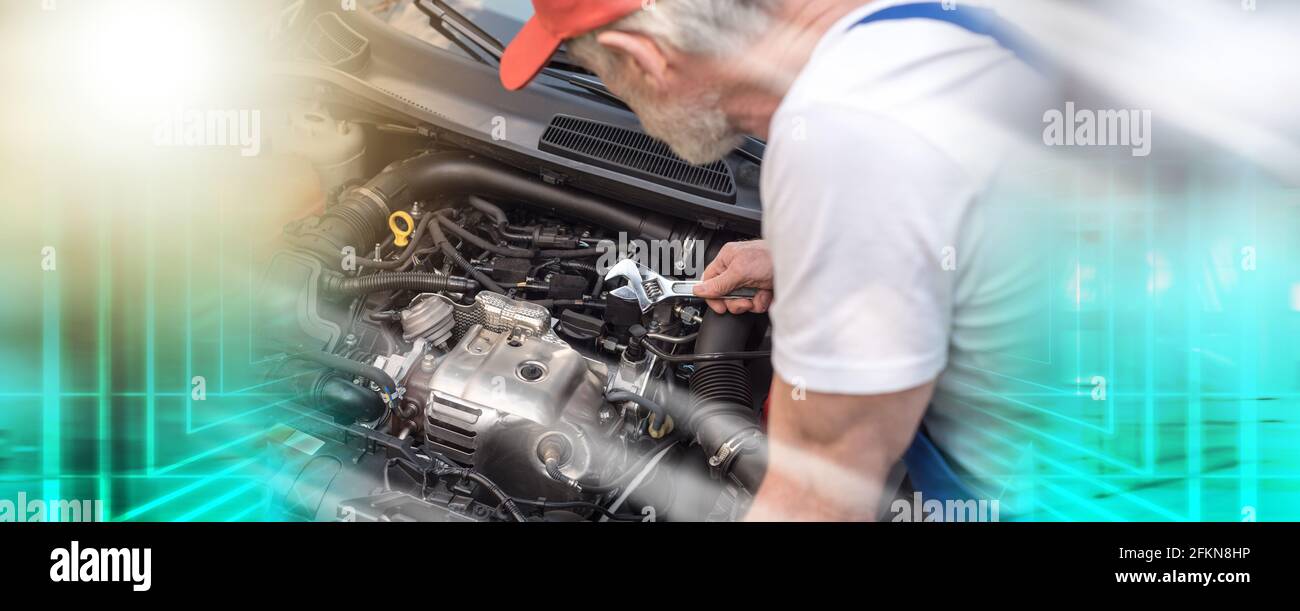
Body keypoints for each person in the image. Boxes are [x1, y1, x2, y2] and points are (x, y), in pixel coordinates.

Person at [500, 0, 1050, 520]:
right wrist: (798, 255)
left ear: (648, 59)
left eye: (609, 80)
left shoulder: (834, 141)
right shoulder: (900, 33)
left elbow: (817, 500)